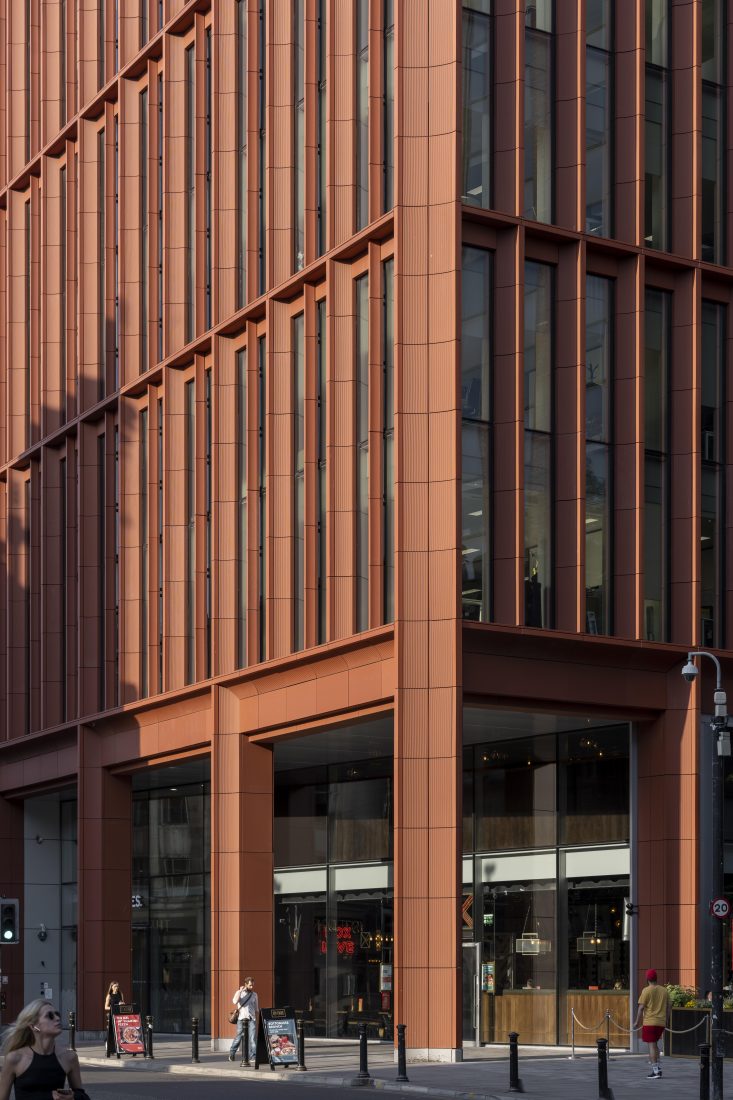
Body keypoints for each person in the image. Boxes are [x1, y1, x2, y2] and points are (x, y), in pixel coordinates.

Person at [0, 997, 89, 1100]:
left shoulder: (69, 1057)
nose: (57, 1018)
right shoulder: (15, 1058)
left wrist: (73, 1096)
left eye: (57, 1014)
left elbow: (83, 1096)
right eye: (50, 1016)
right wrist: (49, 1097)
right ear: (33, 1026)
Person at [634, 968, 670, 1079]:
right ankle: (658, 1067)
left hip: (650, 1022)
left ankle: (655, 1071)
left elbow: (641, 1008)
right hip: (661, 1022)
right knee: (655, 1045)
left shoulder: (646, 990)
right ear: (656, 978)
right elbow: (669, 1006)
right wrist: (667, 1020)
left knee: (652, 1046)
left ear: (647, 979)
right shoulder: (664, 991)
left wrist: (636, 1022)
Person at [229, 977, 258, 1063]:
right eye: (250, 985)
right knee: (238, 1038)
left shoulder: (254, 995)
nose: (251, 987)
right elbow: (234, 1001)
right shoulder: (239, 993)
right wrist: (240, 991)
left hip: (251, 1018)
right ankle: (232, 1053)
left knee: (252, 1038)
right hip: (241, 1019)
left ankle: (253, 1056)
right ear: (245, 984)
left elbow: (256, 1008)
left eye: (252, 985)